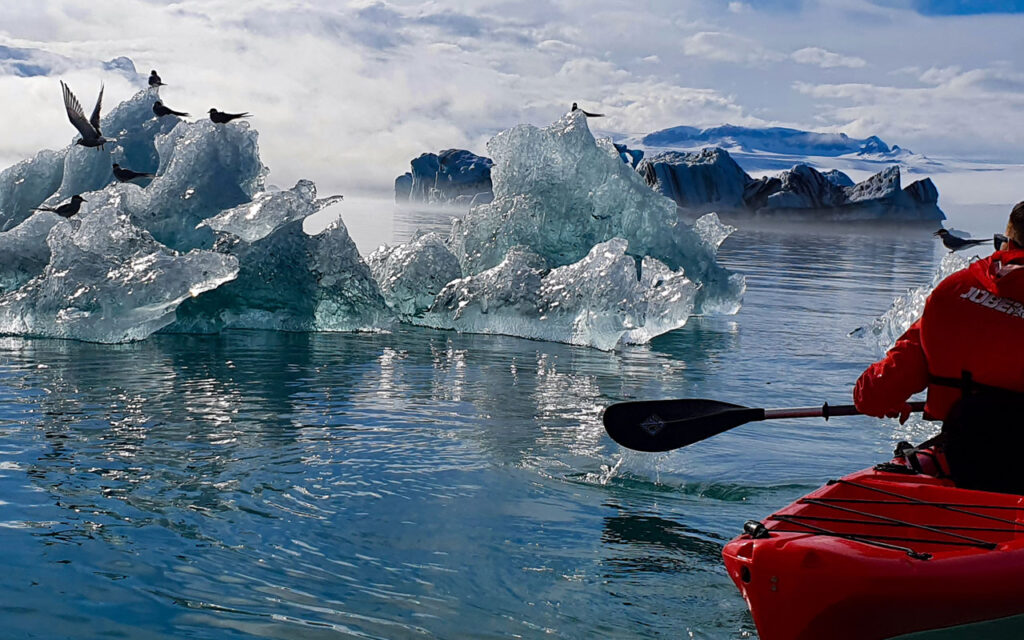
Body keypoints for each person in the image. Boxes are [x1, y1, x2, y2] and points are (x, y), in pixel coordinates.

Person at [854, 201, 1024, 491]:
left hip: (971, 467)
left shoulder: (954, 293)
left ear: (1008, 244)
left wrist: (893, 397)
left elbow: (873, 396)